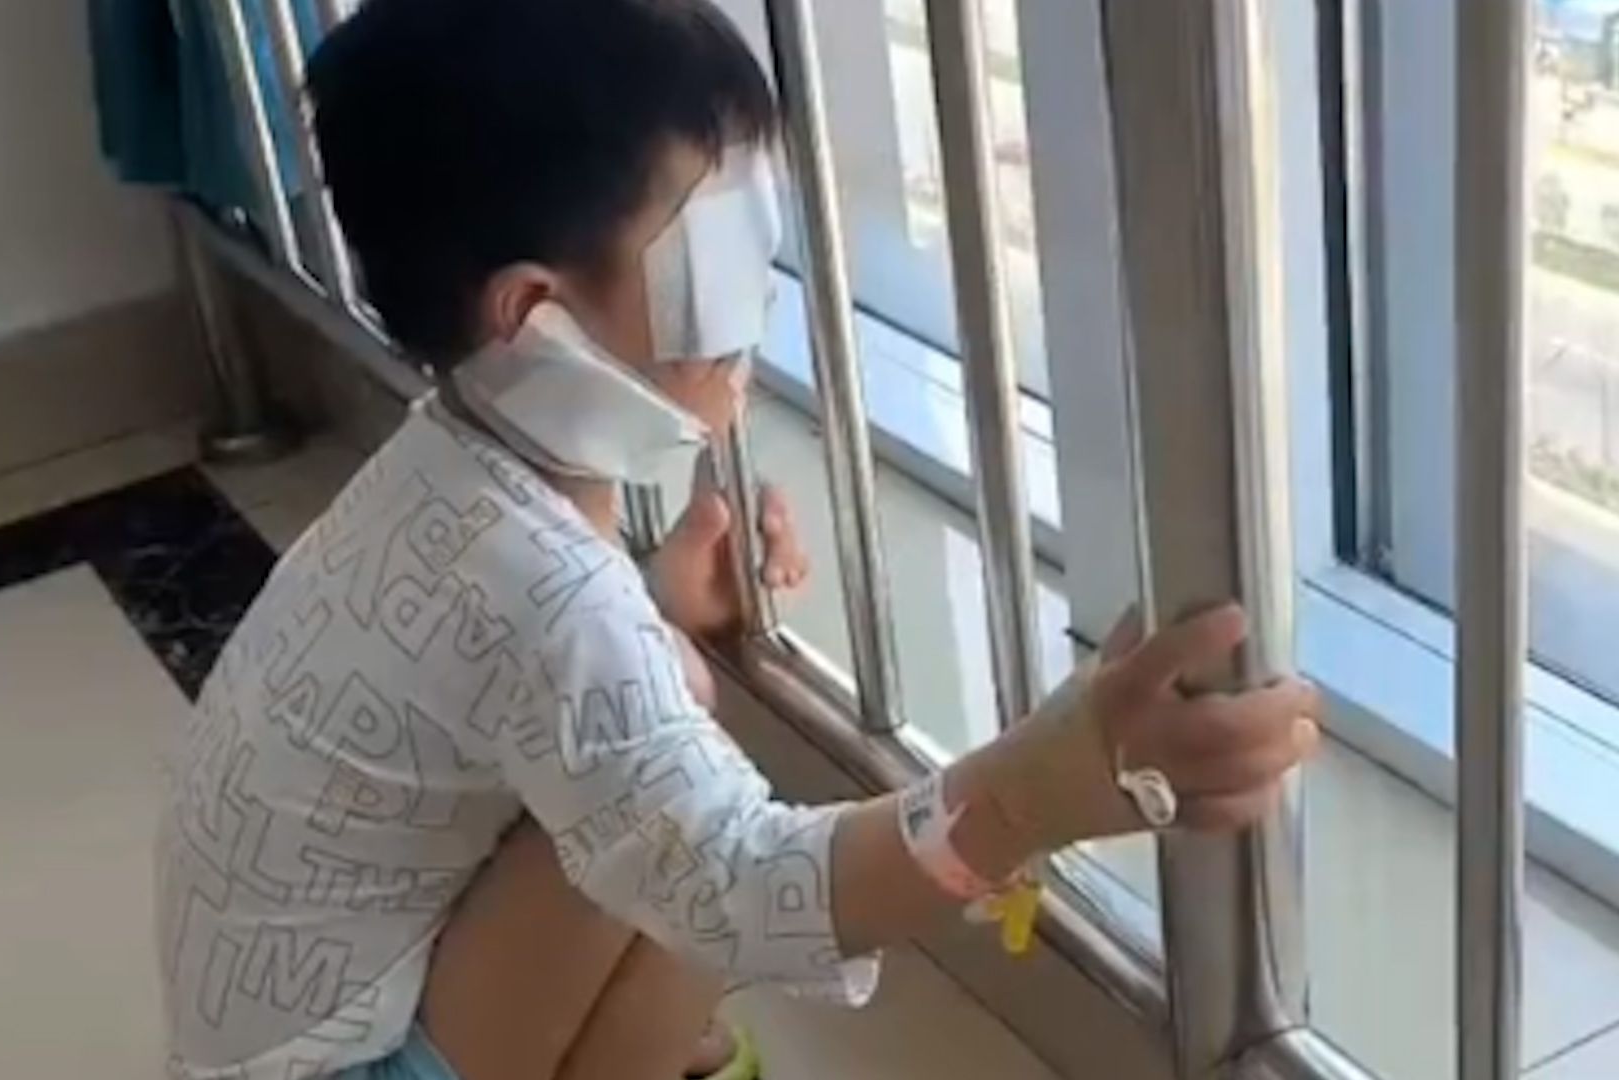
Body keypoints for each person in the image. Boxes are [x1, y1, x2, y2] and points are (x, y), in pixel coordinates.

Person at [153, 1, 1324, 1078]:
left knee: (665, 707)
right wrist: (1040, 789)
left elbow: (525, 664)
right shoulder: (547, 597)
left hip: (272, 1037)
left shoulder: (439, 474)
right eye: (711, 259)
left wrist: (650, 614)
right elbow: (755, 896)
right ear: (530, 314)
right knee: (684, 834)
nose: (756, 305)